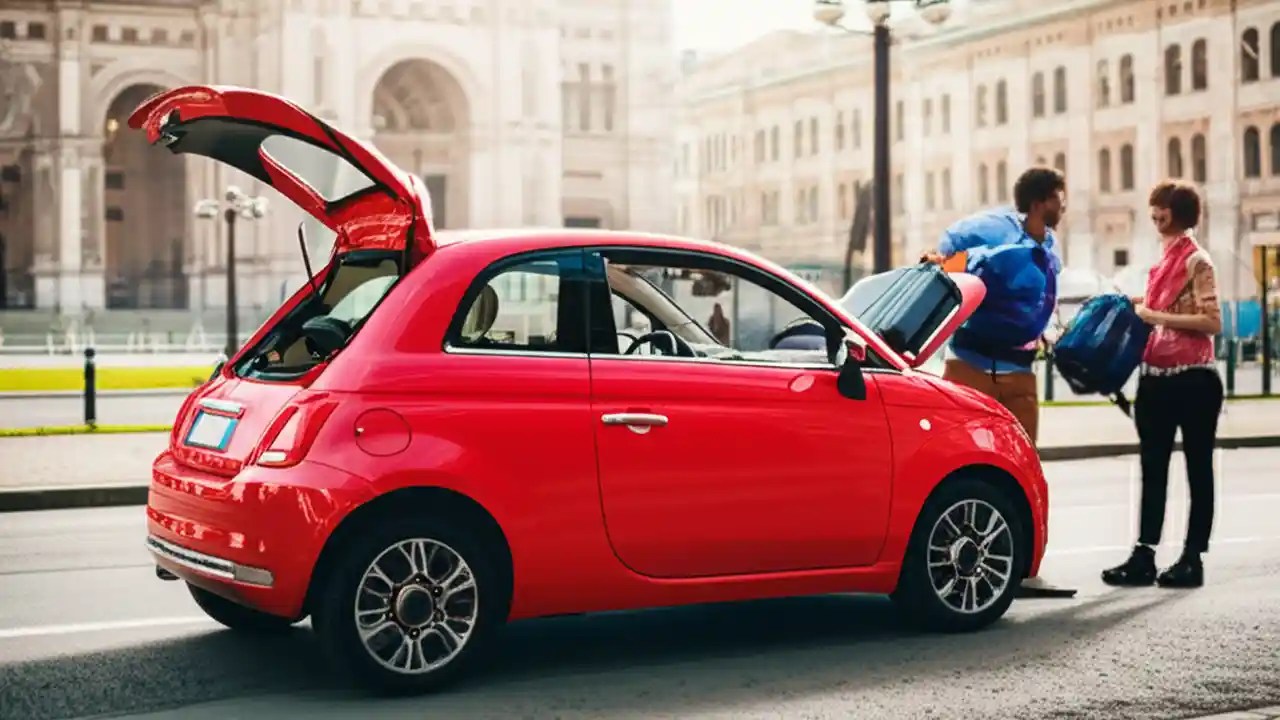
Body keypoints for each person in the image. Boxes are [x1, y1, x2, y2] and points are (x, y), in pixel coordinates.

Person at [1102, 180, 1223, 589]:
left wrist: (1156, 316)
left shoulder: (1197, 261)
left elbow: (1212, 323)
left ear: (1180, 213)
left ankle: (1193, 558)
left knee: (1197, 469)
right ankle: (1144, 555)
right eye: (1153, 209)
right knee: (1152, 470)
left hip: (1194, 380)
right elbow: (1156, 310)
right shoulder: (1162, 261)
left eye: (1162, 211)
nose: (1155, 216)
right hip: (1155, 379)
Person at [921, 166, 1066, 443]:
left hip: (1017, 371)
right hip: (970, 368)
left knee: (1022, 460)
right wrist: (941, 263)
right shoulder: (995, 235)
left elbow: (1043, 300)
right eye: (1058, 198)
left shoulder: (1049, 247)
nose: (1063, 206)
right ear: (1039, 204)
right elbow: (960, 261)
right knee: (959, 453)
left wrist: (1045, 331)